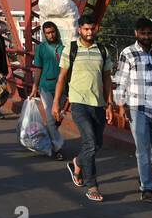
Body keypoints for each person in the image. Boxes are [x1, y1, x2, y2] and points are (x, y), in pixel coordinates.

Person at [53, 14, 114, 200]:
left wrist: (110, 104)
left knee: (96, 145)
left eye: (92, 29)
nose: (89, 32)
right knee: (89, 142)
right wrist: (56, 102)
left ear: (97, 29)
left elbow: (107, 78)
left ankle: (76, 163)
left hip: (98, 104)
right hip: (79, 103)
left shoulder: (102, 50)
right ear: (79, 29)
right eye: (86, 29)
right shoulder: (71, 49)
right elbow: (62, 77)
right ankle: (92, 185)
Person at [113, 17, 152, 203]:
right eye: (143, 33)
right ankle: (147, 188)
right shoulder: (128, 53)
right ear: (136, 33)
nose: (147, 37)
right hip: (136, 107)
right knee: (143, 148)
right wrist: (120, 104)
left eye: (149, 33)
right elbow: (120, 80)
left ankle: (144, 170)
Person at [31, 21, 65, 160]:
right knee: (51, 118)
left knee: (58, 117)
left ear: (56, 31)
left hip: (62, 88)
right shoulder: (41, 48)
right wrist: (35, 86)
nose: (51, 35)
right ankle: (57, 148)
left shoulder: (63, 48)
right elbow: (38, 68)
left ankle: (45, 137)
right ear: (44, 35)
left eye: (53, 32)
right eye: (48, 33)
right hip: (45, 87)